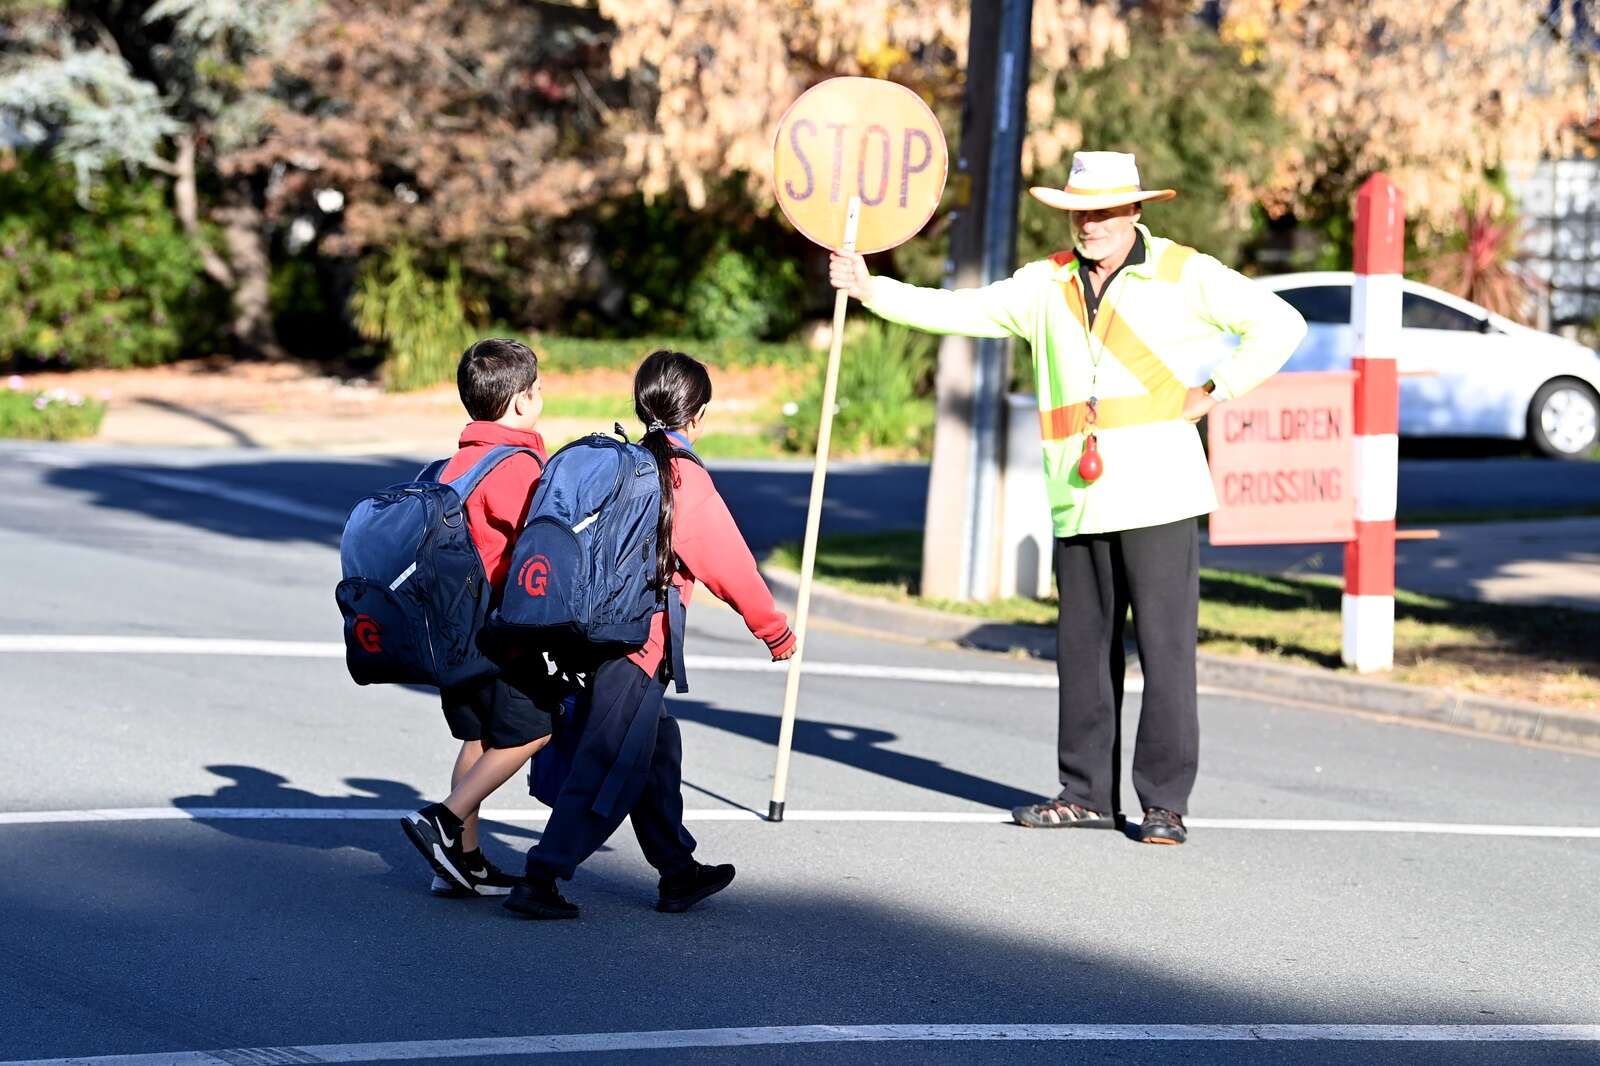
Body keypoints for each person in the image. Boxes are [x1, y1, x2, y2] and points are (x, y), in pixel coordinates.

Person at [829, 151, 1307, 845]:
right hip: (1079, 495)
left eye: (1104, 210)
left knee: (1167, 654)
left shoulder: (1183, 272)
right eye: (1080, 211)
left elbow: (1280, 324)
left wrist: (1217, 391)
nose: (1090, 223)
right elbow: (959, 311)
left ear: (1135, 211)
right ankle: (1084, 793)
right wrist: (871, 290)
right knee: (1083, 650)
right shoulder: (1043, 284)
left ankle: (1163, 805)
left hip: (1161, 493)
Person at [505, 350, 797, 919]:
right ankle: (540, 878)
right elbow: (731, 565)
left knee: (659, 750)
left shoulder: (627, 465)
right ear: (699, 414)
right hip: (637, 649)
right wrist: (775, 630)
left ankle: (677, 871)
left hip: (592, 637)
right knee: (606, 767)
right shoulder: (681, 478)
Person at [400, 338, 556, 895]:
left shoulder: (453, 463)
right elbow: (540, 545)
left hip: (450, 629)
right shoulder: (515, 465)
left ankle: (461, 863)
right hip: (499, 631)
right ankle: (443, 818)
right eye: (537, 390)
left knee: (479, 736)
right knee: (534, 730)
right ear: (521, 402)